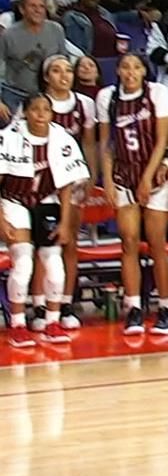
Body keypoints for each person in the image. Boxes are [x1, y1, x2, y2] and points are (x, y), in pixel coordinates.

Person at [96, 54, 168, 335]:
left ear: (145, 71)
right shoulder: (108, 97)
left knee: (157, 243)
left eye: (136, 67)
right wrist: (106, 179)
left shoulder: (158, 93)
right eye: (125, 67)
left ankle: (166, 306)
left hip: (154, 175)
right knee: (128, 242)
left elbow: (163, 140)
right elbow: (106, 143)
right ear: (117, 70)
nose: (131, 72)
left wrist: (146, 178)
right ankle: (133, 308)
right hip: (123, 175)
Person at [0, 93, 90, 347]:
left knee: (54, 263)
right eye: (35, 109)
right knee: (24, 262)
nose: (41, 114)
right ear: (25, 112)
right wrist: (1, 219)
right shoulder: (8, 138)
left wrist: (65, 222)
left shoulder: (62, 138)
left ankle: (52, 321)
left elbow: (66, 187)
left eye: (46, 109)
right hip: (13, 200)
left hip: (47, 200)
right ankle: (17, 324)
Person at [38, 55, 96, 332]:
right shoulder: (36, 104)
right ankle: (40, 303)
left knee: (69, 243)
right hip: (42, 186)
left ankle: (66, 301)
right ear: (47, 76)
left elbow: (90, 145)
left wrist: (89, 177)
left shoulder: (84, 104)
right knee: (44, 246)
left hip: (72, 181)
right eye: (57, 71)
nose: (64, 75)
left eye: (68, 71)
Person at [0, 0, 67, 118]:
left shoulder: (56, 30)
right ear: (22, 9)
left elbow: (63, 63)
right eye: (33, 6)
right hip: (15, 96)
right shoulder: (8, 35)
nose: (38, 10)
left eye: (42, 6)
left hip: (48, 96)